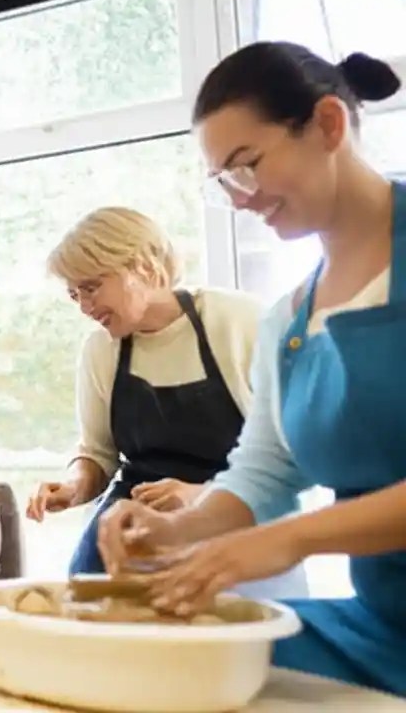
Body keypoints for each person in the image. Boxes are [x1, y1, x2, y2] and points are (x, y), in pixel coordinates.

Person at [95, 43, 406, 695]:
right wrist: (174, 531)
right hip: (383, 629)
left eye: (247, 166)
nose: (241, 199)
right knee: (152, 652)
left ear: (328, 125)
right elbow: (263, 471)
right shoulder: (289, 321)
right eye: (224, 182)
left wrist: (289, 541)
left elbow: (281, 529)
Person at [24, 207, 308, 597]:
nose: (84, 308)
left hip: (238, 520)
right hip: (129, 529)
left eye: (91, 287)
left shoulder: (240, 321)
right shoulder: (101, 350)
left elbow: (289, 456)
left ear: (141, 265)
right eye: (74, 295)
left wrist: (200, 494)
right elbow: (97, 453)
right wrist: (73, 486)